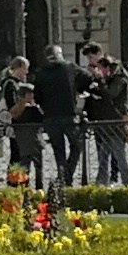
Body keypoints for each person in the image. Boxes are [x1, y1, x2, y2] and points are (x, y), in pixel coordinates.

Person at [31, 40, 83, 188]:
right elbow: (86, 78)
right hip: (69, 114)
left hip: (50, 117)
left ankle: (64, 176)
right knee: (77, 145)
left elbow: (37, 96)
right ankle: (67, 175)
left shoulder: (41, 73)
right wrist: (76, 90)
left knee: (58, 151)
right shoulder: (70, 67)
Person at [84, 49, 128, 185]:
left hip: (116, 123)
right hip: (106, 123)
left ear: (107, 68)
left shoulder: (120, 79)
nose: (100, 72)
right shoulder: (109, 79)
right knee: (103, 156)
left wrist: (100, 81)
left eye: (100, 69)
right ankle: (101, 182)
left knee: (119, 156)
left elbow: (110, 95)